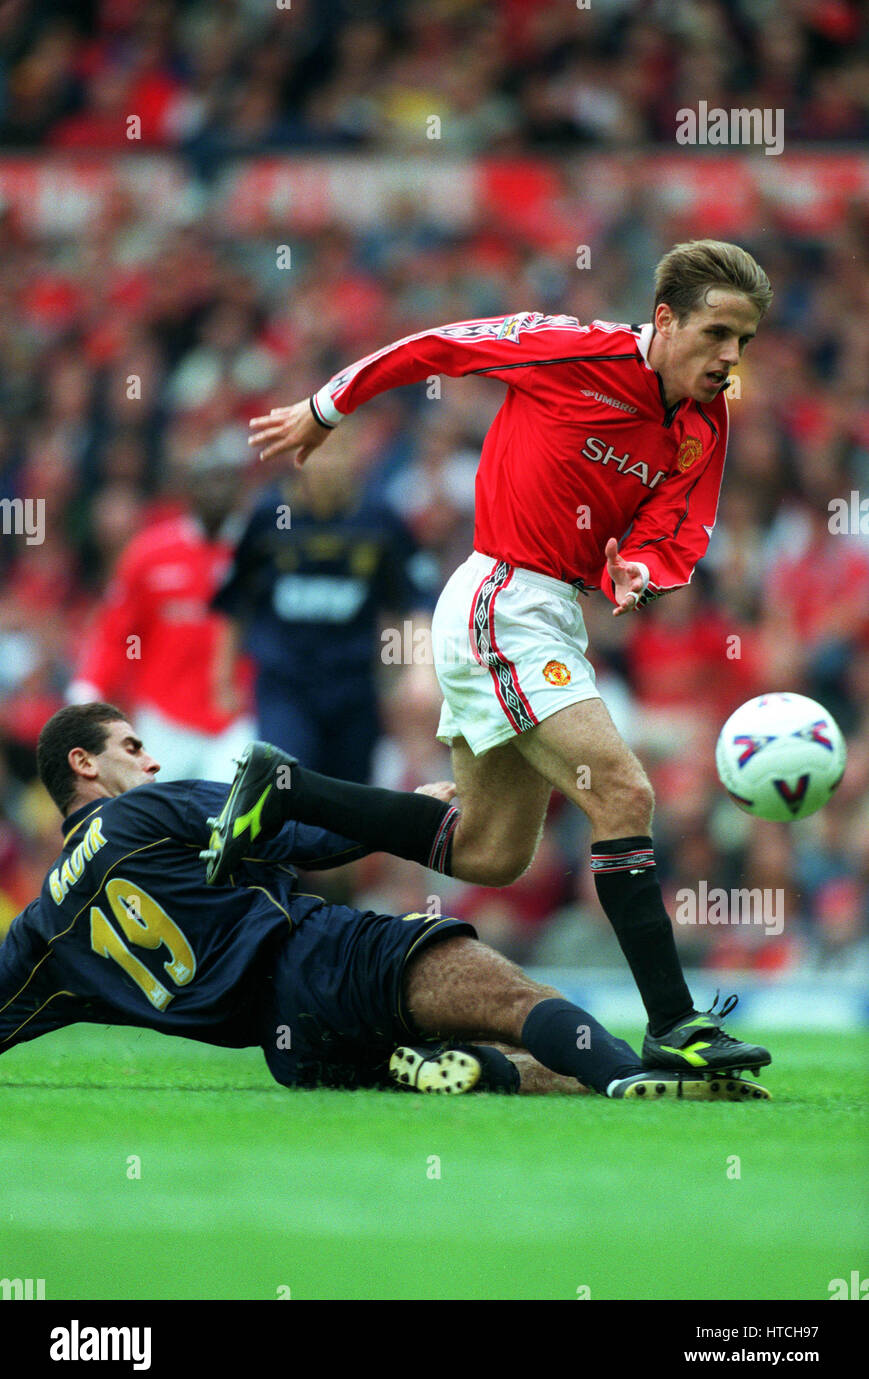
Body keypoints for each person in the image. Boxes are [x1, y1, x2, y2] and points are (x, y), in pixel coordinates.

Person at [241, 238, 775, 1076]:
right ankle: (674, 1024)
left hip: (554, 609)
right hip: (504, 595)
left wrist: (640, 568)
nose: (728, 358)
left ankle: (286, 790)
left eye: (742, 342)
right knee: (624, 791)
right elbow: (435, 347)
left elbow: (677, 526)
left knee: (491, 852)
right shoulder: (573, 347)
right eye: (715, 334)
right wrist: (325, 407)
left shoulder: (705, 422)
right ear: (665, 319)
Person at [0, 703, 769, 1101]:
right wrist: (403, 810)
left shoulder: (45, 930)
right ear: (83, 764)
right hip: (315, 958)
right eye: (131, 747)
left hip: (292, 1052)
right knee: (509, 995)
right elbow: (288, 823)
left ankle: (462, 1070)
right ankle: (632, 1081)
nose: (152, 756)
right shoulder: (145, 812)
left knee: (505, 1060)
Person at [211, 423, 437, 783]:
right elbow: (236, 602)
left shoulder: (381, 520)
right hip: (285, 685)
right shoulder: (267, 517)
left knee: (347, 801)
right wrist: (222, 678)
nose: (329, 463)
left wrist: (421, 670)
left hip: (354, 688)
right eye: (320, 451)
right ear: (300, 455)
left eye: (339, 450)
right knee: (286, 785)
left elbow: (414, 600)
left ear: (356, 454)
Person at [67, 446, 255, 781]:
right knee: (159, 824)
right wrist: (89, 690)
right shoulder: (150, 553)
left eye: (226, 480)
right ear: (190, 488)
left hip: (237, 720)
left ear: (240, 488)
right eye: (208, 480)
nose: (217, 490)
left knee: (233, 824)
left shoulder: (258, 555)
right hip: (164, 721)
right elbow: (116, 632)